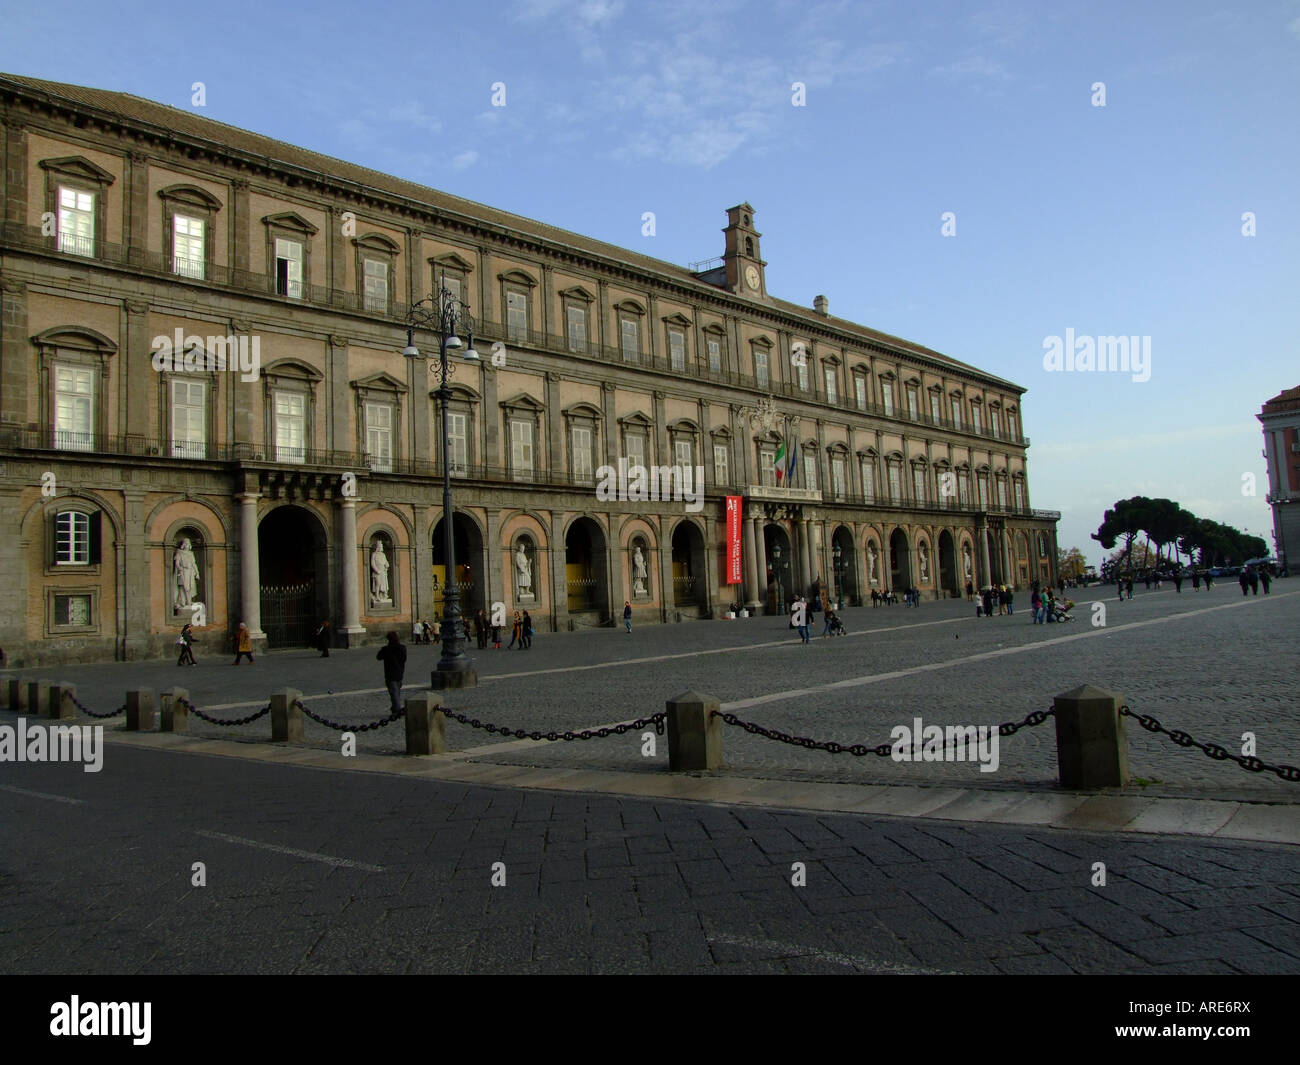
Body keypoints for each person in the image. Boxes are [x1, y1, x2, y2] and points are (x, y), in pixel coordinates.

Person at [376, 631, 406, 715]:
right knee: (397, 691)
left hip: (390, 674)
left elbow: (378, 657)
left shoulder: (386, 649)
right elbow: (404, 659)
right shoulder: (402, 648)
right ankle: (395, 707)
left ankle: (396, 710)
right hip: (400, 672)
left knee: (394, 692)